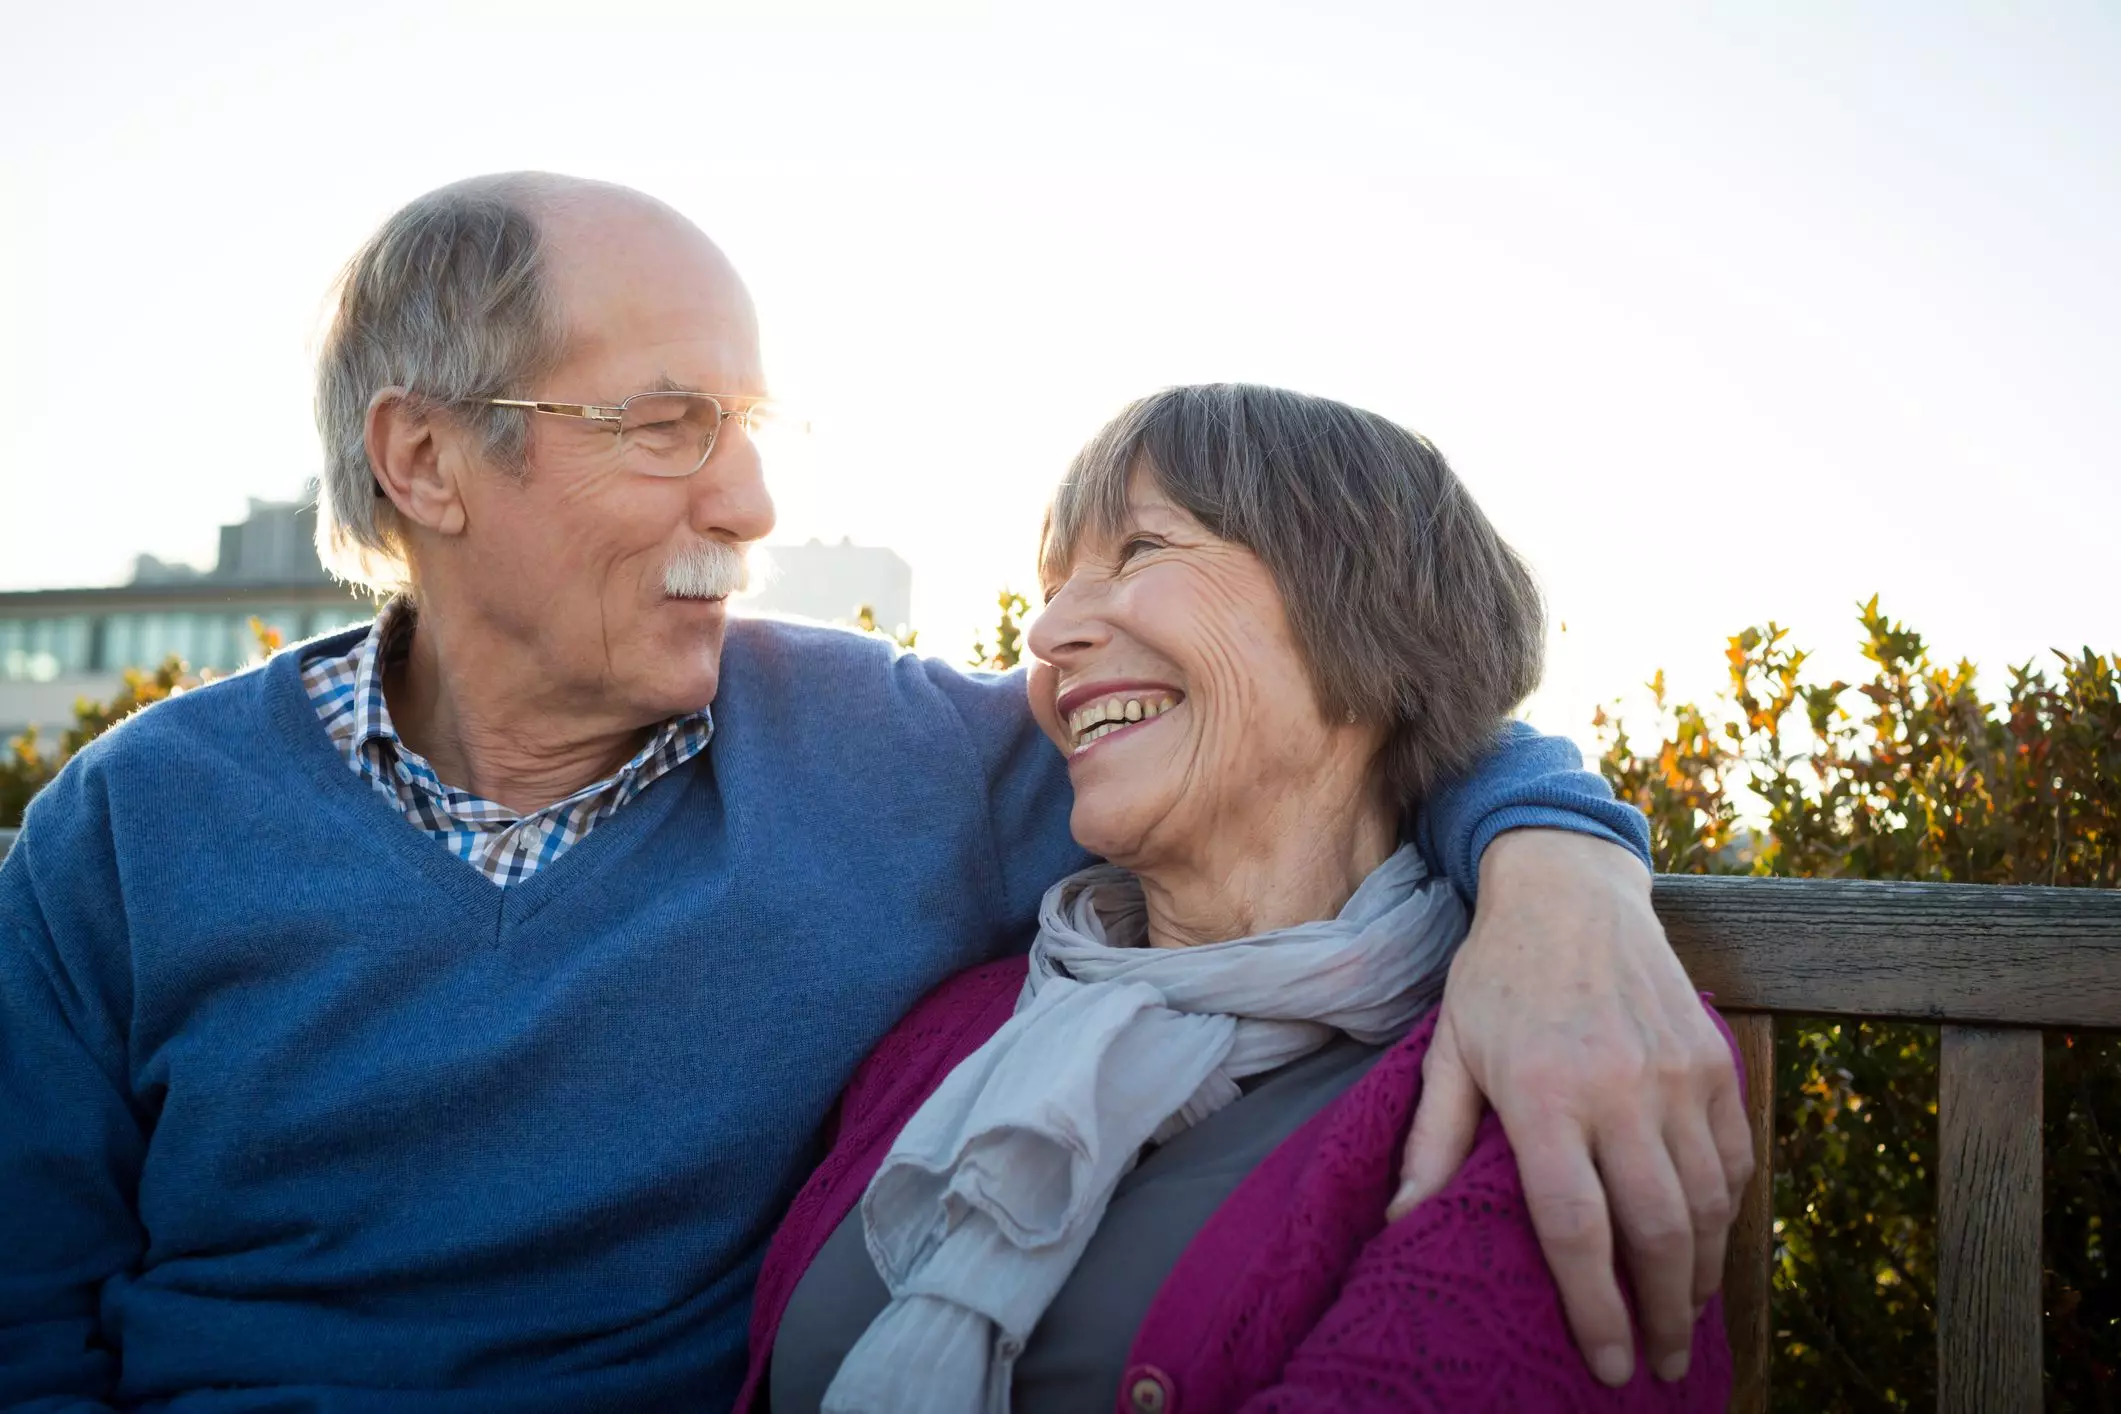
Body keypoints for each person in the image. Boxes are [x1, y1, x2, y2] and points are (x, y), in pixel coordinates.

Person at [0, 175, 1748, 1412]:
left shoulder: (899, 758)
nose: (752, 498)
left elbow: (1340, 709)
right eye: (669, 422)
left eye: (755, 424)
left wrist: (1560, 873)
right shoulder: (133, 826)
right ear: (429, 458)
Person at [747, 385, 1737, 1413]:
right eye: (1051, 584)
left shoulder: (1565, 1044)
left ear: (1363, 615)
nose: (1044, 632)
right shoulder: (949, 1028)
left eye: (1140, 550)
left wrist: (1567, 861)